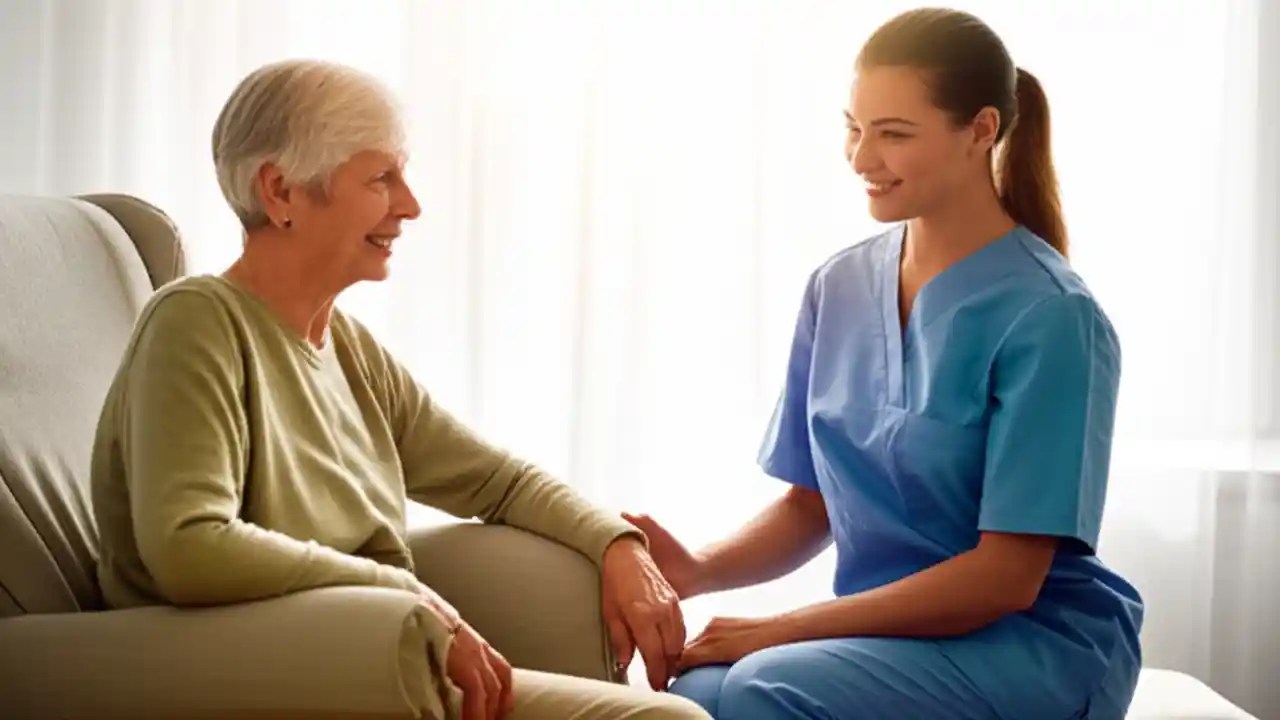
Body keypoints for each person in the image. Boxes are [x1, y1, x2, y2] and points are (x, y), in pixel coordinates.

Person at [90, 59, 707, 720]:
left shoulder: (349, 350)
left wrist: (618, 544)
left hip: (375, 658)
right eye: (382, 178)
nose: (410, 205)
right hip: (266, 671)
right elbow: (189, 546)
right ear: (281, 192)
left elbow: (499, 481)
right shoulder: (195, 323)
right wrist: (403, 595)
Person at [630, 8, 1144, 719]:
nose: (861, 158)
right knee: (697, 696)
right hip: (890, 637)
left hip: (1032, 640)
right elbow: (811, 504)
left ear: (982, 131)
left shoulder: (1053, 316)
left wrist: (774, 631)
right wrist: (699, 569)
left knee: (757, 687)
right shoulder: (836, 288)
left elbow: (1005, 580)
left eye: (894, 134)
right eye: (854, 127)